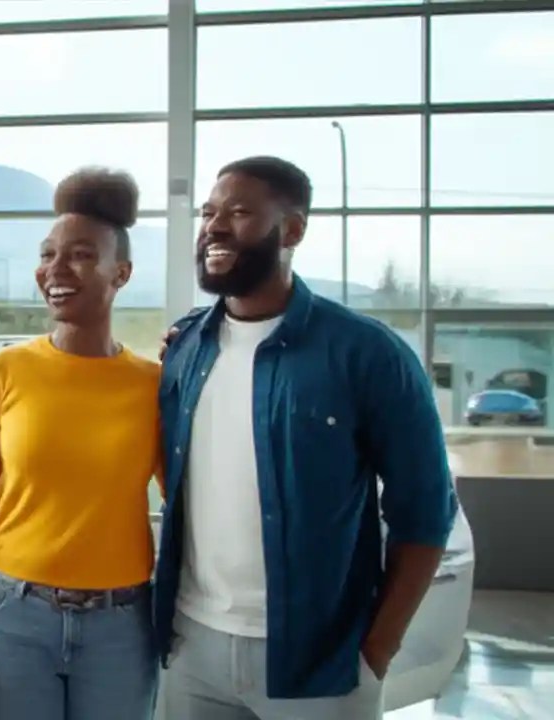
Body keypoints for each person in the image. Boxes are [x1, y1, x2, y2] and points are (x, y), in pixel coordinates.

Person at [154, 156, 457, 719]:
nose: (215, 227)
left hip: (322, 661)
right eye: (208, 212)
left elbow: (426, 514)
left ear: (292, 230)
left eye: (240, 212)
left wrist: (377, 648)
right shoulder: (185, 349)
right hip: (192, 647)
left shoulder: (366, 353)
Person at [0, 168, 163, 720]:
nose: (55, 270)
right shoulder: (4, 372)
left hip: (123, 626)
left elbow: (190, 506)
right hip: (14, 618)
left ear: (122, 272)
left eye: (81, 255)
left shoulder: (155, 384)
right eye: (47, 254)